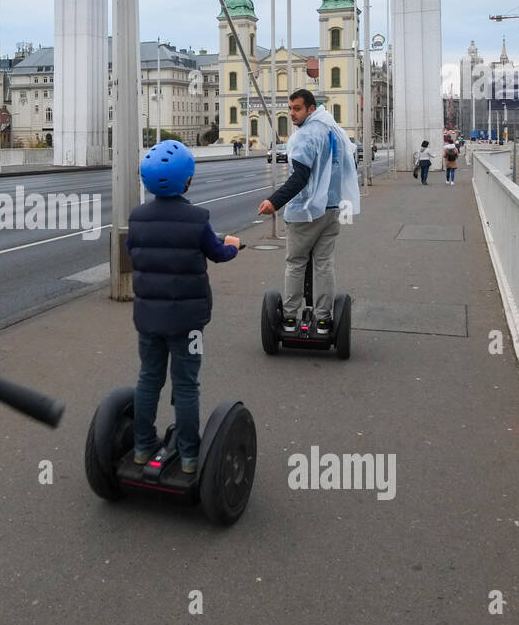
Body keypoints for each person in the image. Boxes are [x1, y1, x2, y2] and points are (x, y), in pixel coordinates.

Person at [125, 140, 240, 474]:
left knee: (149, 379)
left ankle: (142, 448)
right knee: (186, 384)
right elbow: (217, 253)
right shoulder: (197, 219)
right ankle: (189, 457)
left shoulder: (138, 218)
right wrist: (233, 246)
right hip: (189, 323)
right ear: (186, 179)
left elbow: (134, 252)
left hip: (148, 319)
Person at [257, 89, 360, 337]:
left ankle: (290, 318)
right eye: (290, 109)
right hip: (331, 208)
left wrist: (274, 202)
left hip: (305, 212)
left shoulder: (306, 135)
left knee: (296, 263)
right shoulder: (334, 130)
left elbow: (300, 178)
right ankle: (323, 320)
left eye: (297, 109)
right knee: (324, 264)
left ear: (311, 109)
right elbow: (348, 165)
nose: (292, 113)